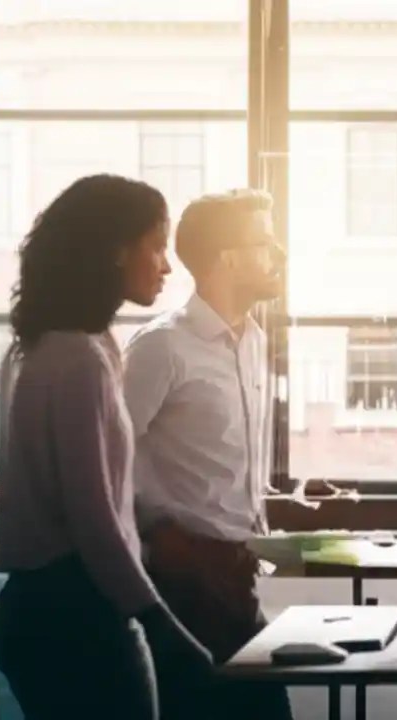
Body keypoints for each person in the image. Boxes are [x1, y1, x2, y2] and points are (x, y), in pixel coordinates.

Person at [0, 174, 212, 720]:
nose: (166, 265)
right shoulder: (80, 360)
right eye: (157, 245)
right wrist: (161, 624)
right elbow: (93, 519)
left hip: (40, 607)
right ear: (116, 250)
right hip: (73, 613)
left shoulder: (39, 348)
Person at [122, 190, 291, 720]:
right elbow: (105, 461)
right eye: (264, 241)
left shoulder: (254, 339)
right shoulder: (160, 348)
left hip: (237, 572)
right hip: (182, 579)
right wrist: (152, 537)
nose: (279, 253)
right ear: (226, 257)